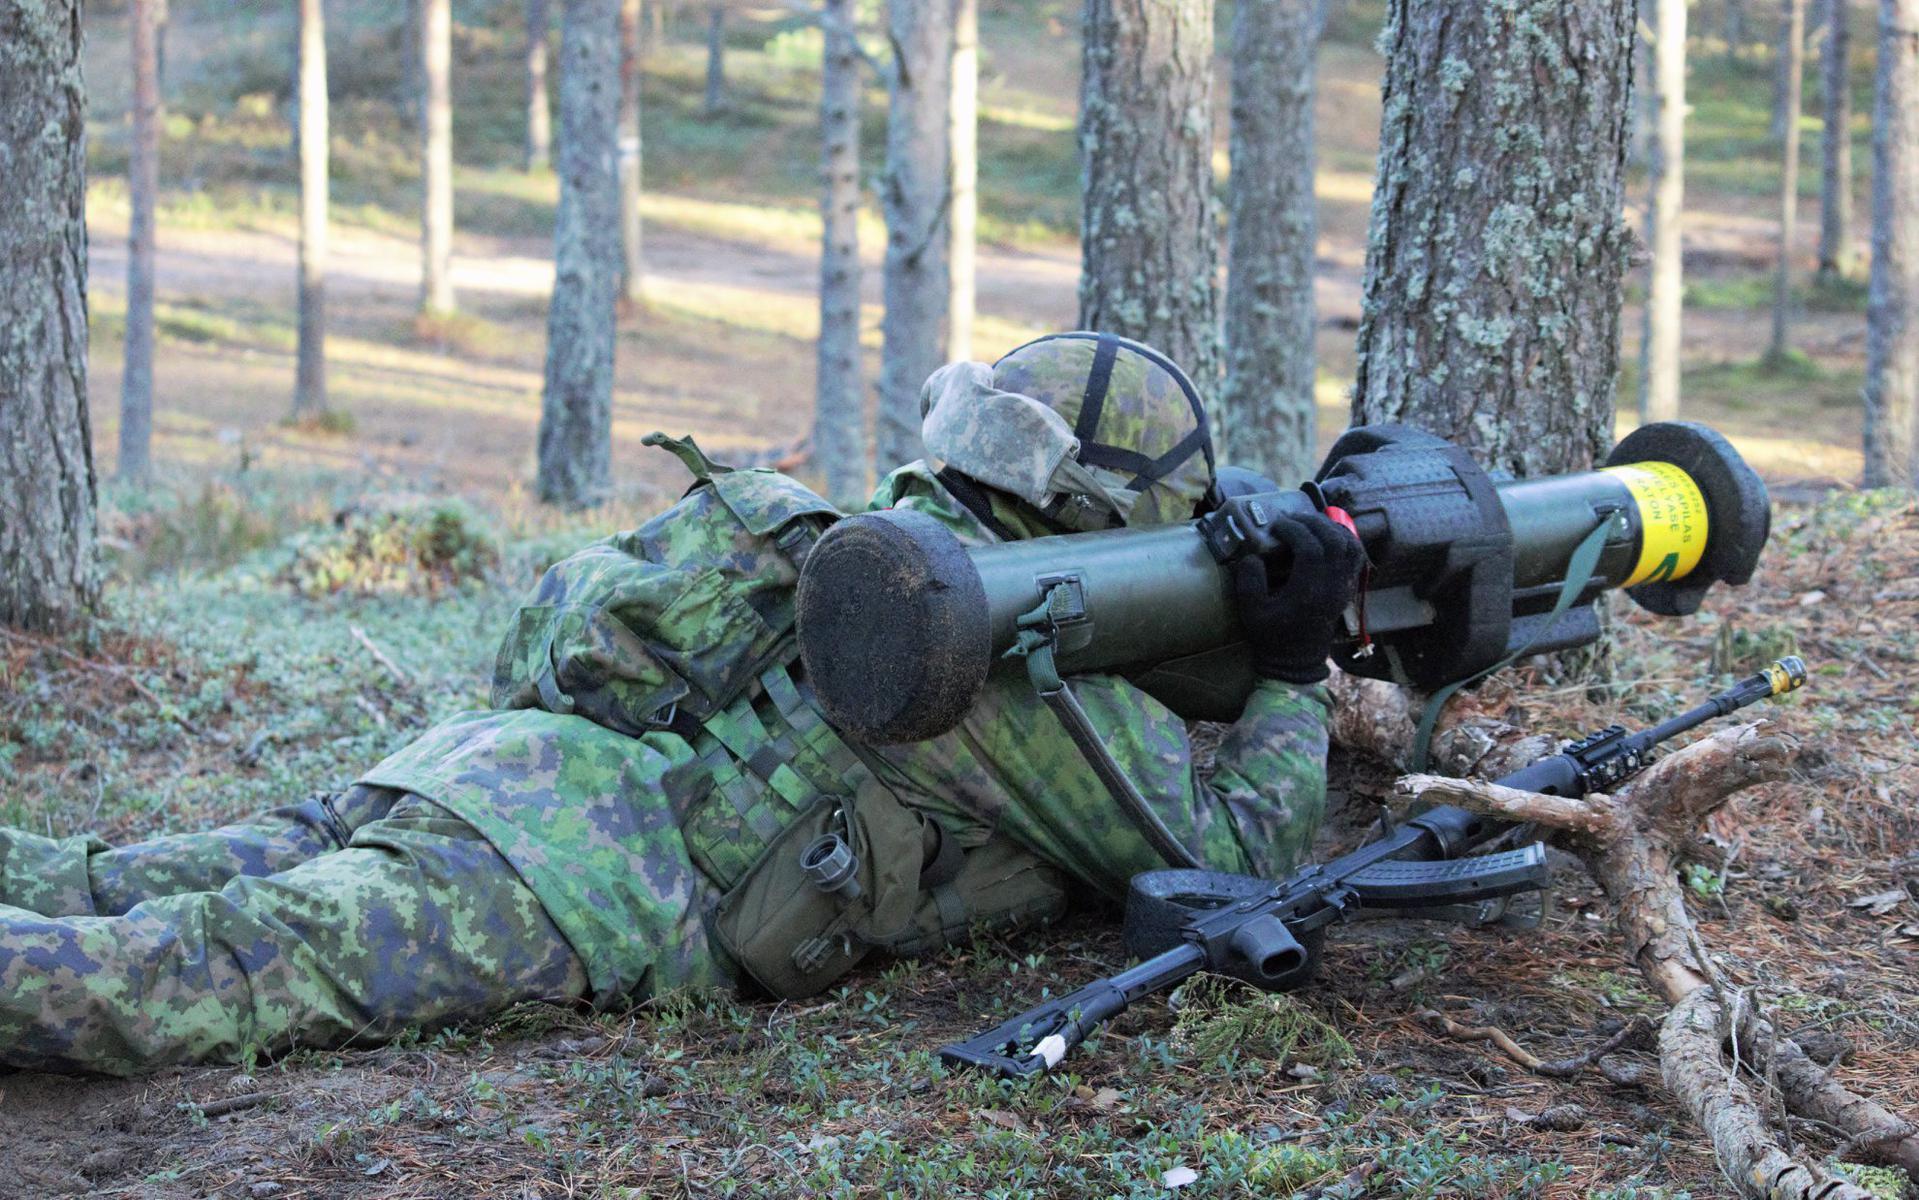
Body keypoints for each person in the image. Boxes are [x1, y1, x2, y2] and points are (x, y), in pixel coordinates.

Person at [0, 333, 1364, 1075]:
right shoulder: (992, 663)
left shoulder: (853, 534)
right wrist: (1295, 669)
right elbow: (1234, 854)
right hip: (563, 892)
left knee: (113, 880)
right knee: (192, 972)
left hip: (482, 775)